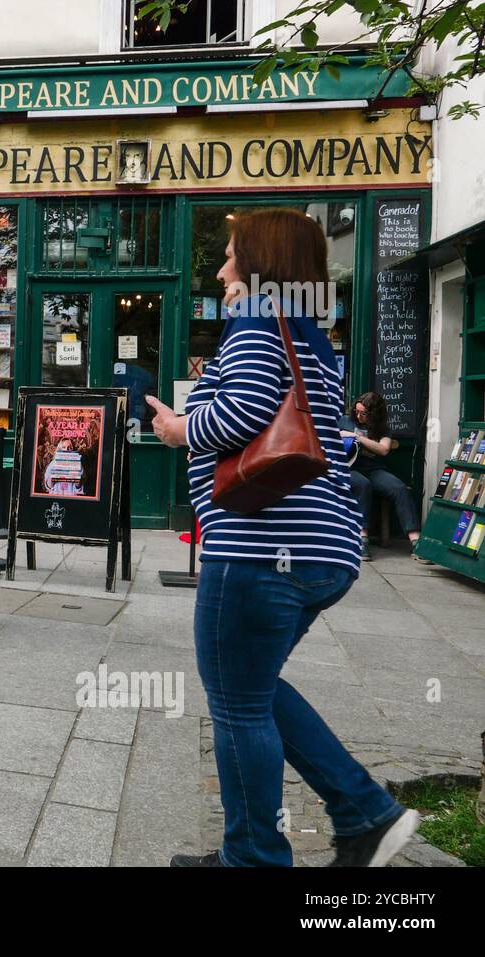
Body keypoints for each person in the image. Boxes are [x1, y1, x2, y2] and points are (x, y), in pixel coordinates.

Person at [146, 208, 418, 867]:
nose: (220, 271)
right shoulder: (310, 337)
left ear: (261, 264)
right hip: (321, 549)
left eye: (232, 256)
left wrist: (179, 428)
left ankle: (256, 858)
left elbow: (240, 413)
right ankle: (362, 814)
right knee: (253, 688)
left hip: (260, 547)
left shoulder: (257, 321)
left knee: (238, 701)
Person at [340, 391, 427, 562]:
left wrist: (356, 437)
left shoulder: (382, 428)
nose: (358, 416)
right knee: (363, 485)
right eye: (356, 411)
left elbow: (383, 449)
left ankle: (415, 540)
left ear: (373, 414)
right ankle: (362, 537)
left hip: (373, 469)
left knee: (399, 488)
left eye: (363, 413)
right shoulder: (344, 421)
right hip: (349, 467)